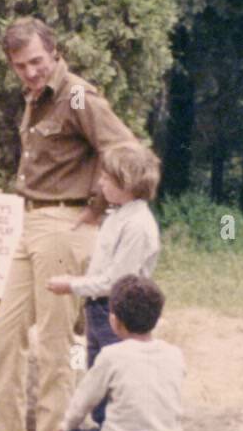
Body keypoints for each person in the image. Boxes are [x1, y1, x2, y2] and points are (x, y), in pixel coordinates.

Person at [0, 17, 142, 431]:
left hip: (64, 223)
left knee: (55, 341)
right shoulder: (35, 97)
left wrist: (95, 208)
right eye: (20, 66)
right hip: (31, 219)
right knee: (4, 331)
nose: (30, 72)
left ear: (53, 52)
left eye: (36, 61)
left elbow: (125, 151)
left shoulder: (78, 95)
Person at [40, 275, 184, 431]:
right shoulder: (174, 354)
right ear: (157, 319)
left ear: (114, 321)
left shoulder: (112, 356)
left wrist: (66, 426)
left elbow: (82, 401)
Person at [47, 141, 162, 369]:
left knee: (114, 384)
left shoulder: (137, 226)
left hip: (118, 314)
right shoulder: (116, 217)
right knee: (96, 379)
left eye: (107, 179)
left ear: (126, 182)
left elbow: (117, 282)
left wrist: (72, 285)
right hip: (97, 310)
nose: (100, 183)